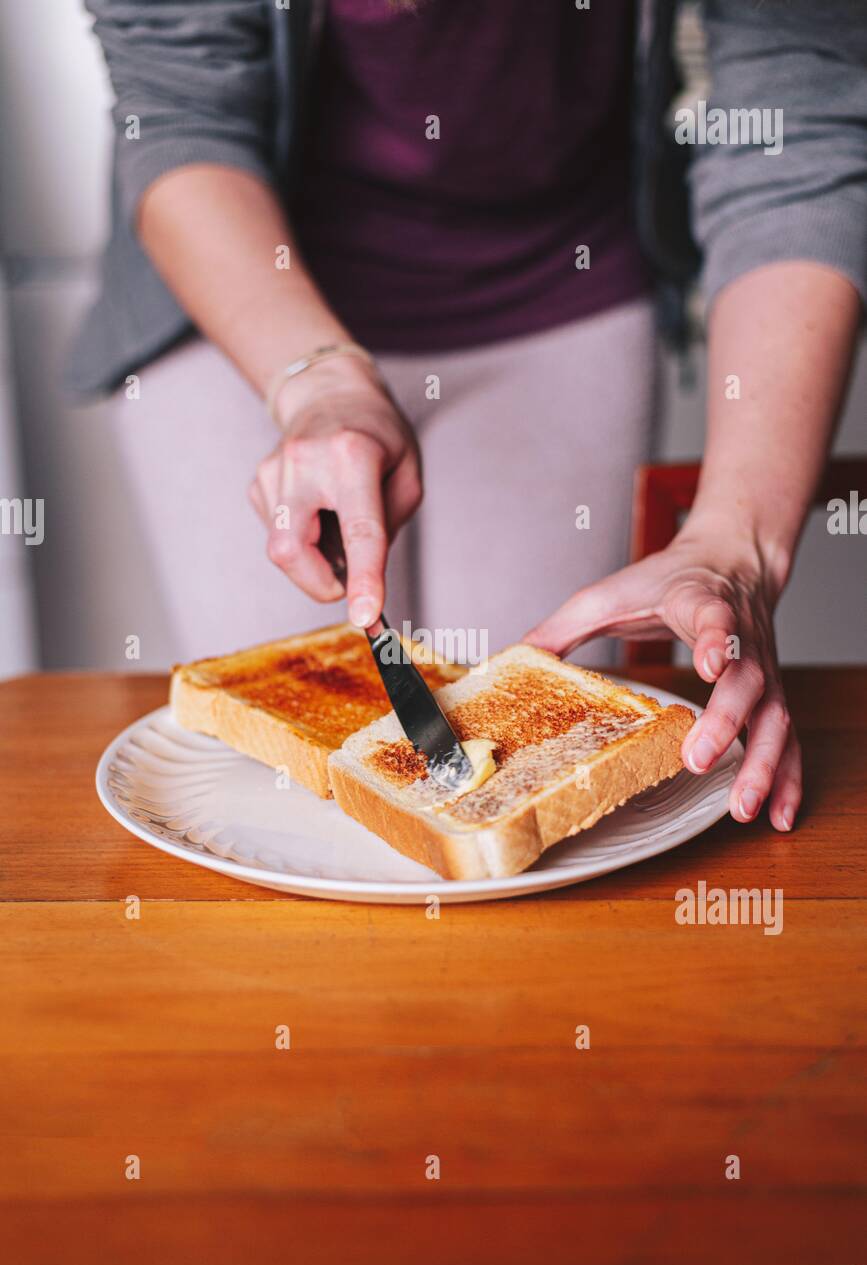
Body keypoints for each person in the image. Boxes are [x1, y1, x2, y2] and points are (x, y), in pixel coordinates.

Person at [71, 0, 866, 836]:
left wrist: (735, 540)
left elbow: (797, 129)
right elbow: (178, 106)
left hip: (561, 281)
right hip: (241, 298)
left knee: (532, 806)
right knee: (278, 812)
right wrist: (315, 384)